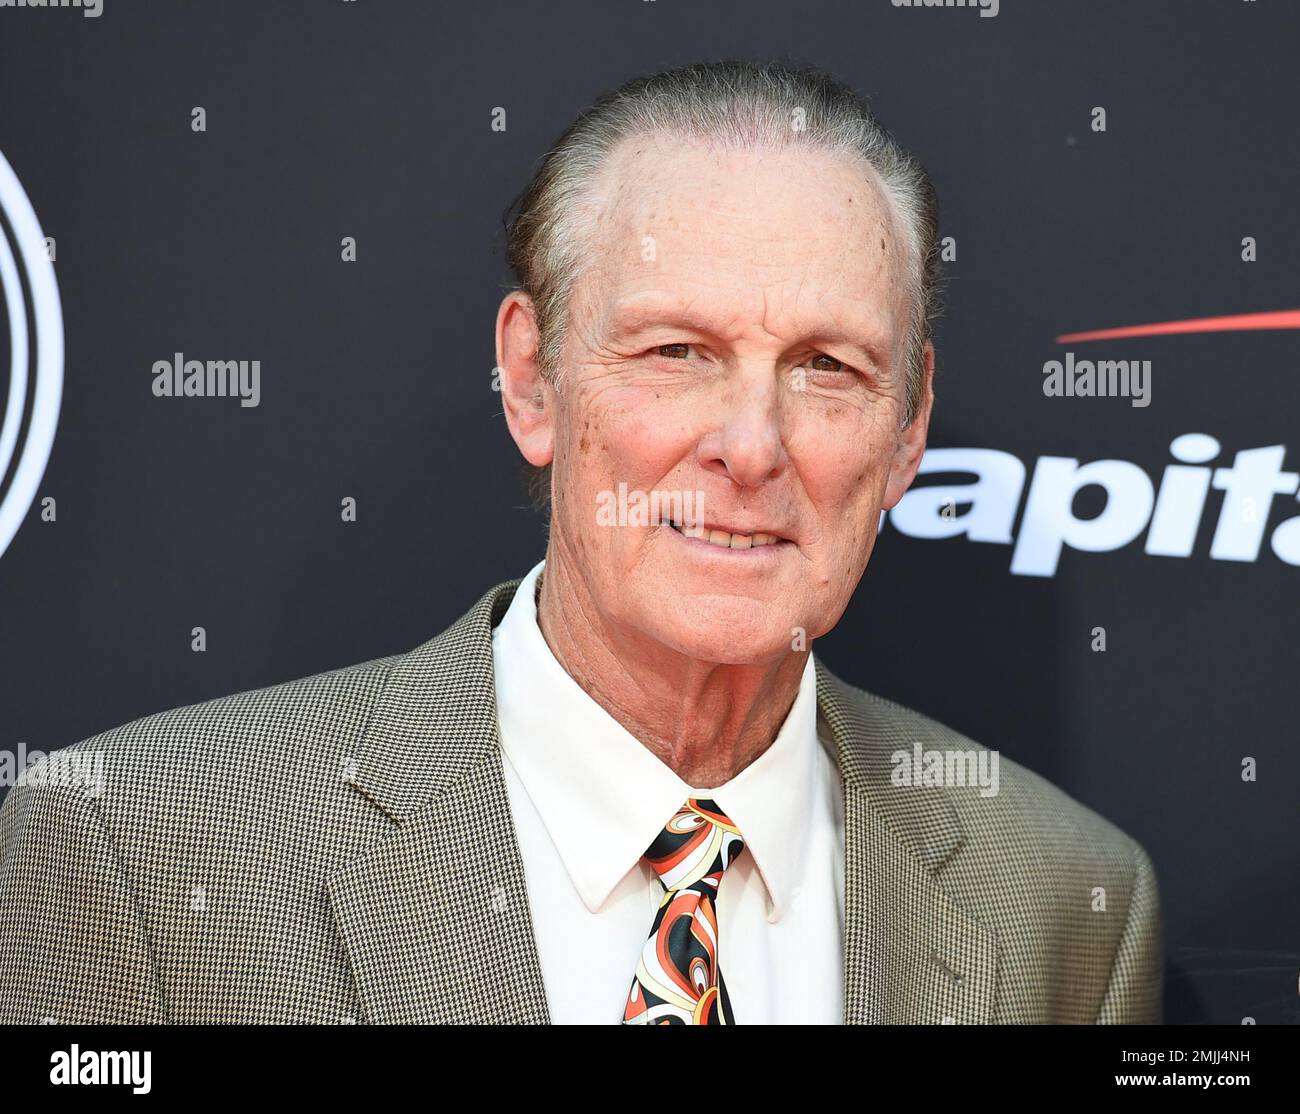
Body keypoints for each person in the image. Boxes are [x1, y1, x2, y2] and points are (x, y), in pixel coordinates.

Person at [0, 59, 1161, 1025]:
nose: (751, 447)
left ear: (905, 430)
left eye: (826, 367)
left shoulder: (1065, 904)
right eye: (674, 353)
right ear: (530, 380)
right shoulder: (132, 856)